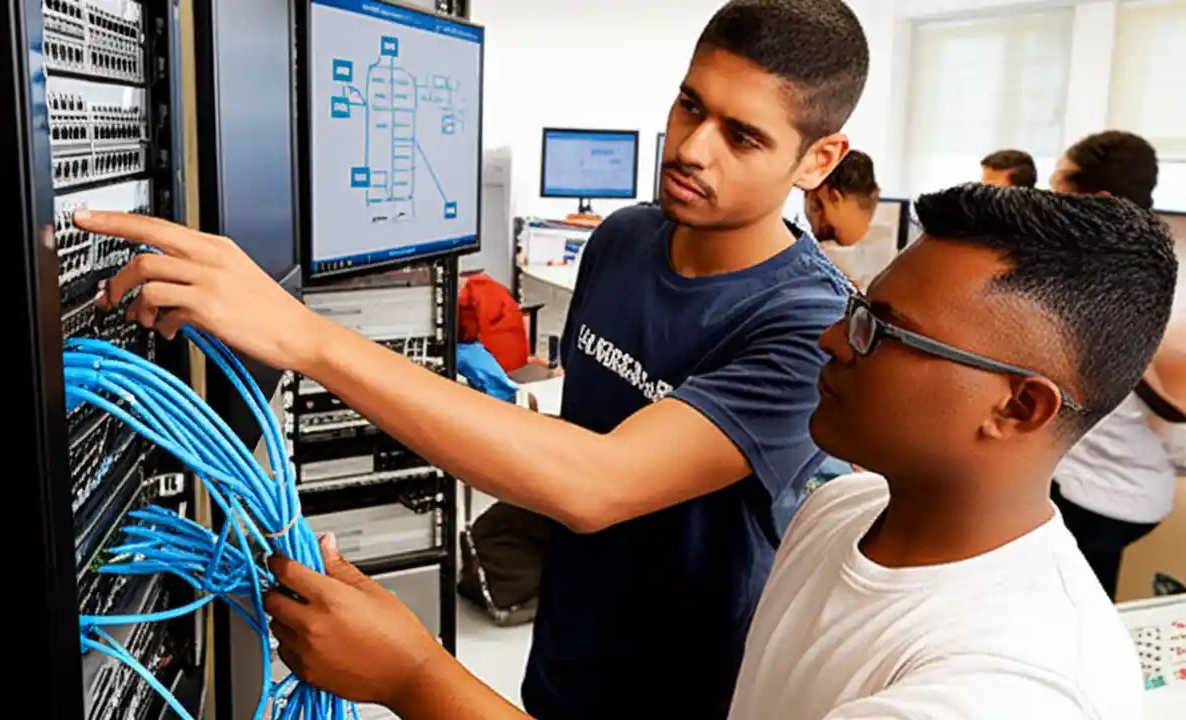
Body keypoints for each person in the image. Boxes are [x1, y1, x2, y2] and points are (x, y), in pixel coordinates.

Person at [81, 1, 870, 716]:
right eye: (690, 105)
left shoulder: (807, 325)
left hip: (687, 686)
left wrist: (304, 335)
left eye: (743, 136)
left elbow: (600, 483)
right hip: (565, 652)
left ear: (818, 159)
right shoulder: (625, 239)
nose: (693, 148)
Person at [238, 185, 1168, 719]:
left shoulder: (1001, 688)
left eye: (880, 329)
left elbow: (593, 483)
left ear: (1019, 406)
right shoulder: (844, 510)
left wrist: (410, 676)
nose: (832, 341)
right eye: (856, 306)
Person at [1048, 129, 1183, 597]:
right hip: (1125, 489)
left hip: (1102, 495)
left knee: (1071, 605)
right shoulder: (1145, 268)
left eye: (1059, 189)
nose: (1050, 200)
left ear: (1097, 198)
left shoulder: (1114, 285)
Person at [804, 148, 894, 288]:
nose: (814, 225)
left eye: (816, 207)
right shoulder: (891, 252)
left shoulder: (830, 260)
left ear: (834, 197)